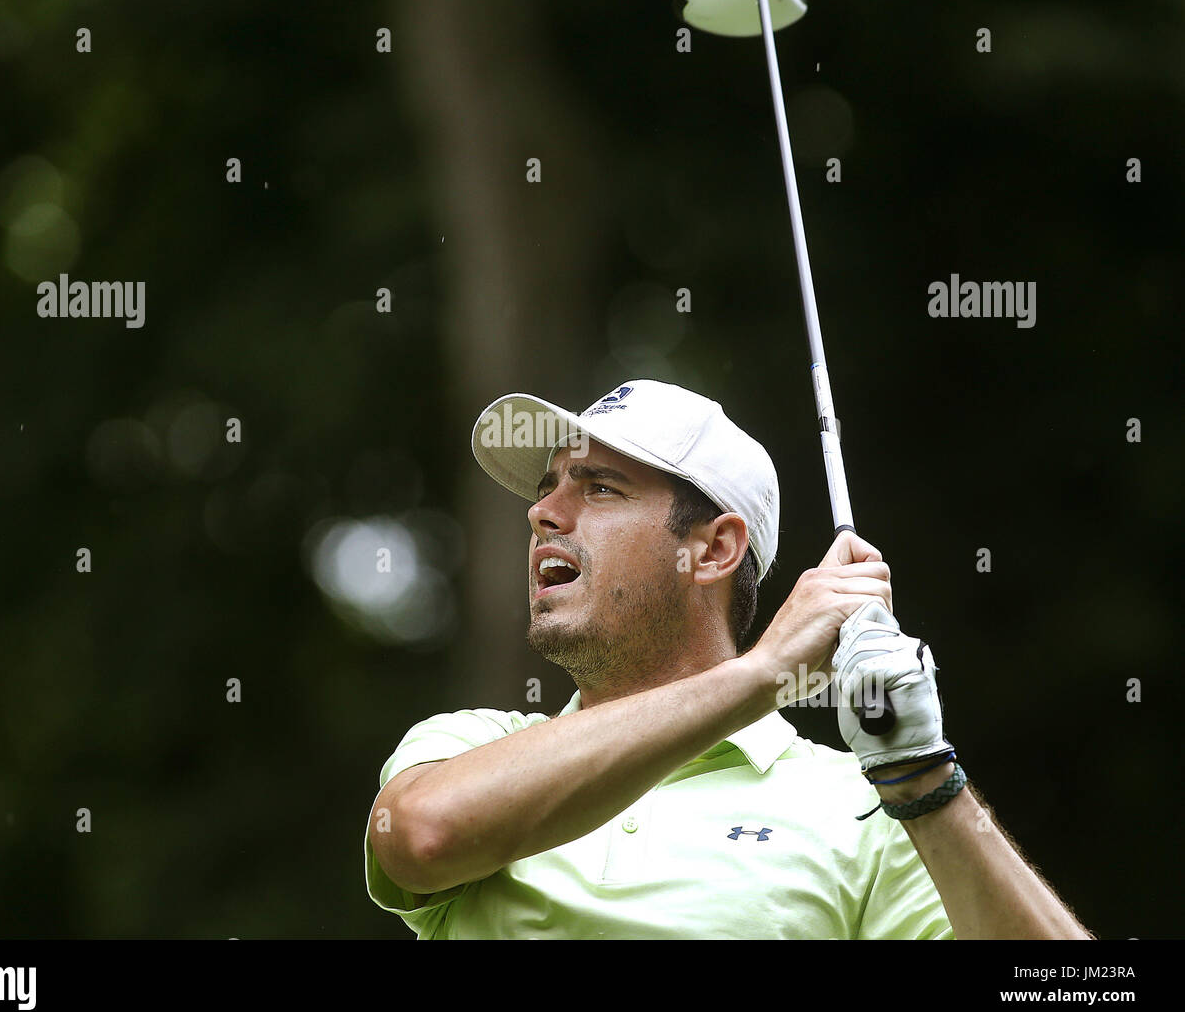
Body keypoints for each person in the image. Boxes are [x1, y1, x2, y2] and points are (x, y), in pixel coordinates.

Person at [364, 380, 1091, 939]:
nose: (543, 511)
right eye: (547, 486)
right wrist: (760, 676)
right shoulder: (474, 745)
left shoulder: (868, 806)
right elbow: (424, 835)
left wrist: (925, 776)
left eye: (599, 488)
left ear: (712, 550)